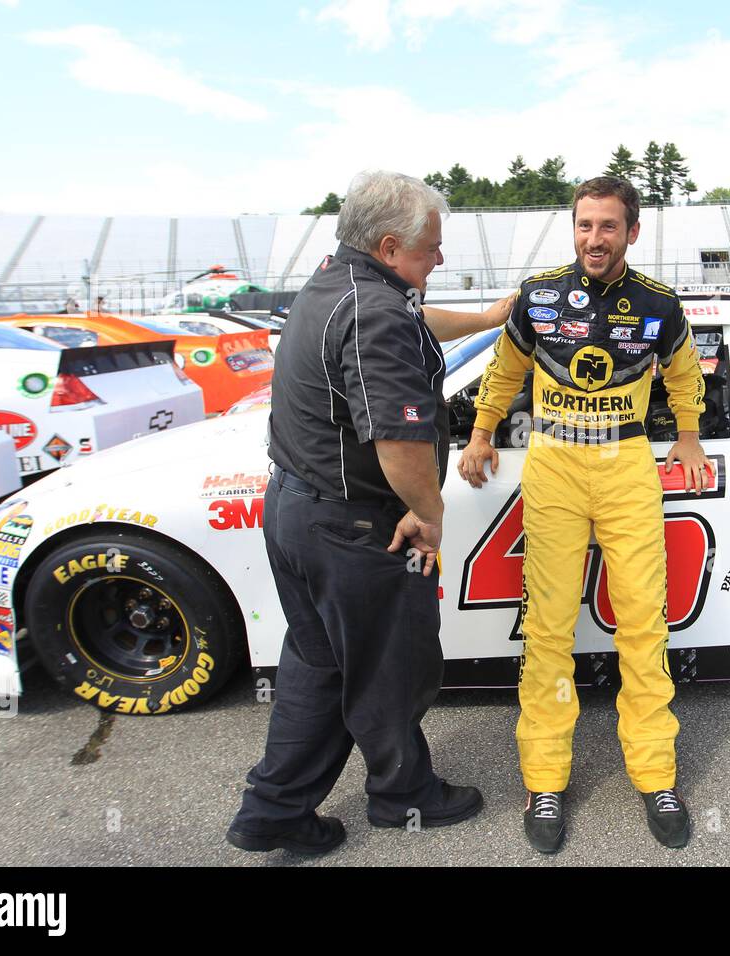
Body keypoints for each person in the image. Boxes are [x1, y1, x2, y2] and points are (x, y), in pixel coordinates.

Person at [226, 170, 510, 855]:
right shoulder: (377, 313)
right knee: (392, 665)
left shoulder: (337, 281)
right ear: (389, 246)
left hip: (299, 510)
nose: (440, 260)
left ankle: (273, 811)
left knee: (318, 665)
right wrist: (429, 513)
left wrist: (486, 319)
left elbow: (417, 315)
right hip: (358, 527)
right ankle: (404, 794)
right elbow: (400, 440)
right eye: (430, 248)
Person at [457, 176, 709, 853]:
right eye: (584, 225)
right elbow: (504, 373)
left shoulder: (659, 303)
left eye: (607, 226)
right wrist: (481, 433)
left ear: (632, 231)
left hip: (627, 465)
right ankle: (544, 780)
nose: (593, 238)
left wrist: (687, 433)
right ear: (573, 229)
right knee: (547, 631)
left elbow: (684, 373)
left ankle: (655, 774)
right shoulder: (539, 296)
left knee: (642, 625)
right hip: (554, 464)